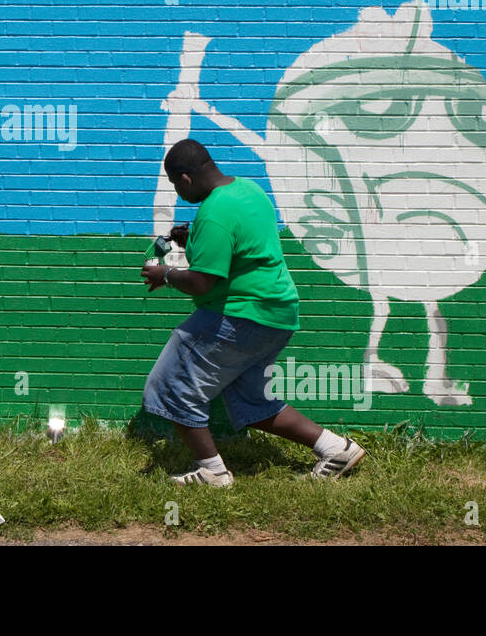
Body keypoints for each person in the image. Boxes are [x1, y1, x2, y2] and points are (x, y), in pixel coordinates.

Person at [140, 138, 365, 486]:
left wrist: (165, 274)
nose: (178, 193)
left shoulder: (214, 211)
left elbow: (203, 283)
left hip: (240, 315)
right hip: (276, 315)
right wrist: (195, 236)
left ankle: (213, 473)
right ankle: (336, 448)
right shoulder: (248, 190)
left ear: (185, 179)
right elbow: (240, 243)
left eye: (175, 185)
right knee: (250, 399)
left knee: (170, 384)